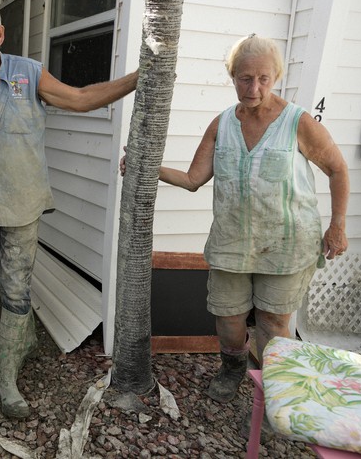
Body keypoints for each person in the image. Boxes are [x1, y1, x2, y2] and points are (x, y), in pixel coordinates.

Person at [0, 0, 138, 418]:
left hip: (24, 201)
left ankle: (5, 378)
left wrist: (137, 78)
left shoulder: (26, 73)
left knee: (14, 286)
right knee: (0, 278)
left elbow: (81, 99)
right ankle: (24, 338)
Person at [121, 34, 349, 404]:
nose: (254, 87)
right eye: (245, 78)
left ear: (275, 75)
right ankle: (233, 368)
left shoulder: (297, 122)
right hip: (232, 242)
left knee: (273, 323)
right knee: (228, 320)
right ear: (233, 77)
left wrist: (337, 224)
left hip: (287, 244)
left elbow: (338, 169)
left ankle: (279, 390)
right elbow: (194, 179)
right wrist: (148, 167)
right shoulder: (222, 123)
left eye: (263, 78)